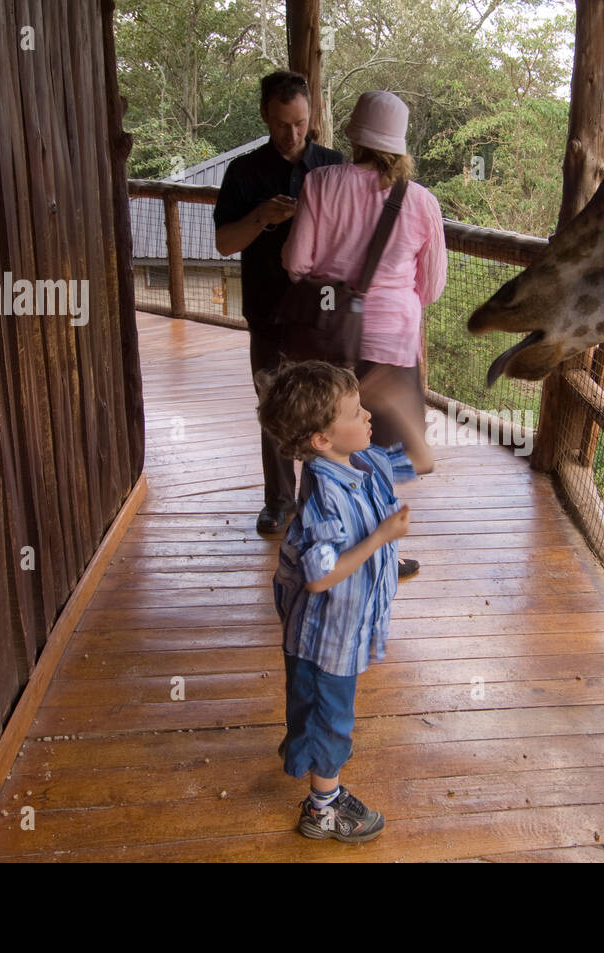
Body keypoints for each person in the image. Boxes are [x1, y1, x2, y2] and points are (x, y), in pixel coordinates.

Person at [256, 360, 412, 843]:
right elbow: (320, 577)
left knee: (319, 710)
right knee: (332, 720)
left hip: (343, 628)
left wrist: (406, 416)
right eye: (355, 411)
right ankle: (322, 809)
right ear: (322, 440)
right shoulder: (324, 495)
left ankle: (306, 742)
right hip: (326, 640)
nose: (368, 416)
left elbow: (405, 463)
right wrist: (381, 536)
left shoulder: (355, 461)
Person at [282, 90, 446, 483]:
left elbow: (296, 265)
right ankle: (377, 512)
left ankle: (327, 512)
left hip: (329, 336)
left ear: (354, 137)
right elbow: (431, 288)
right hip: (391, 348)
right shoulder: (421, 201)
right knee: (385, 457)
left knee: (325, 446)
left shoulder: (320, 182)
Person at [214, 70, 343, 537]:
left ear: (312, 115)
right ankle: (280, 503)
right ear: (265, 116)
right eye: (283, 124)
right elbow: (225, 243)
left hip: (322, 311)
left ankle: (326, 501)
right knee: (273, 404)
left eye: (301, 123)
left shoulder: (334, 166)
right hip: (267, 309)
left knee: (328, 406)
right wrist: (262, 216)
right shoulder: (244, 172)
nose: (293, 134)